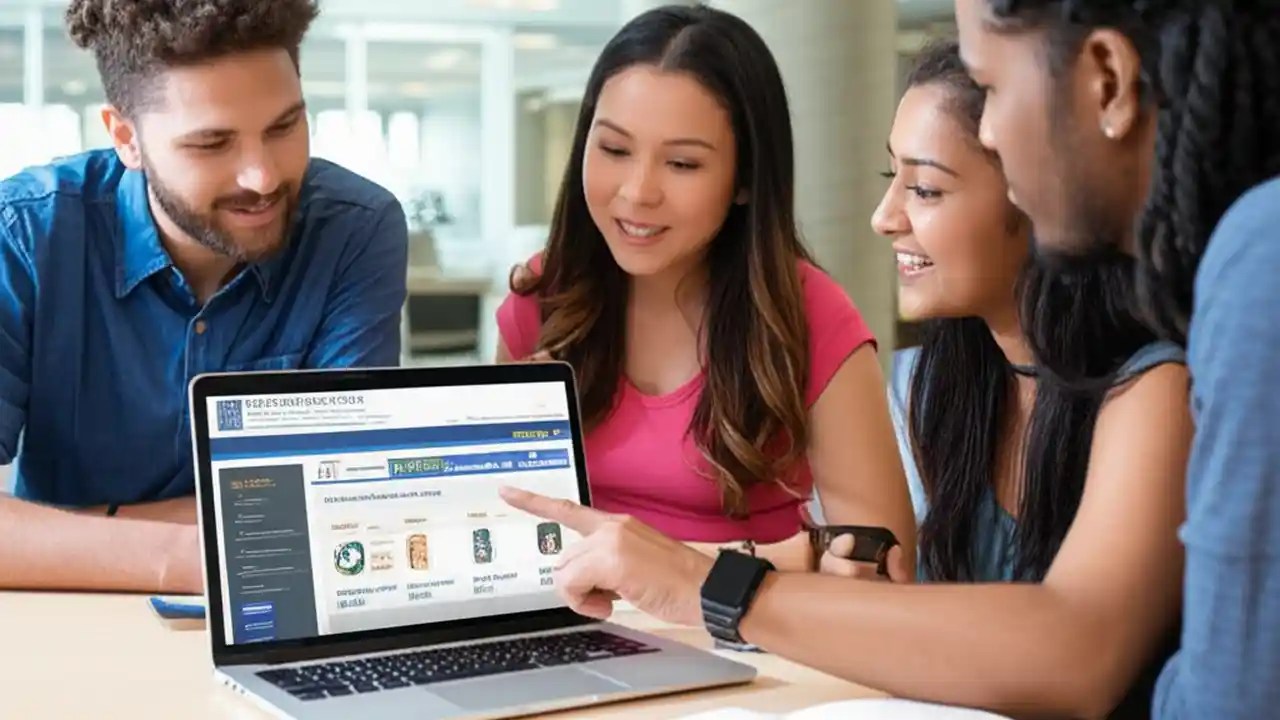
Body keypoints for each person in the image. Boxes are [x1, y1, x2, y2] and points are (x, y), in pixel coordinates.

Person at [500, 34, 1195, 720]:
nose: (884, 217)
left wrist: (711, 582)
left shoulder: (1156, 394)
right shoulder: (960, 378)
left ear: (1041, 188)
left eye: (924, 188)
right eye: (890, 179)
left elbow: (1075, 656)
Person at [0, 0, 408, 594]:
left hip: (282, 608)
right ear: (126, 138)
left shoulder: (355, 228)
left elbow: (342, 500)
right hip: (68, 619)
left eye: (285, 127)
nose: (262, 177)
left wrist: (74, 532)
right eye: (213, 144)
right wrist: (201, 550)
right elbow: (297, 521)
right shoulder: (24, 235)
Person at [495, 5, 915, 572]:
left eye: (683, 164)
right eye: (615, 150)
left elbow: (884, 559)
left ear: (744, 180)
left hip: (746, 641)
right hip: (575, 634)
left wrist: (682, 565)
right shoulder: (541, 300)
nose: (638, 193)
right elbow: (496, 529)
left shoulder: (808, 315)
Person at [950, 0, 1280, 717]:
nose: (986, 132)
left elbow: (1229, 703)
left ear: (1107, 79)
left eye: (991, 88)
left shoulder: (1263, 259)